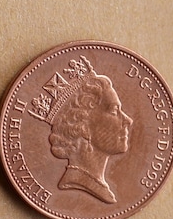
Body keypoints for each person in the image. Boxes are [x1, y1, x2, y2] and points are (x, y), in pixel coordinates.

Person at [47, 72, 133, 204]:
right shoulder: (80, 183)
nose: (128, 120)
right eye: (114, 110)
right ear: (84, 127)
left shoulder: (100, 186)